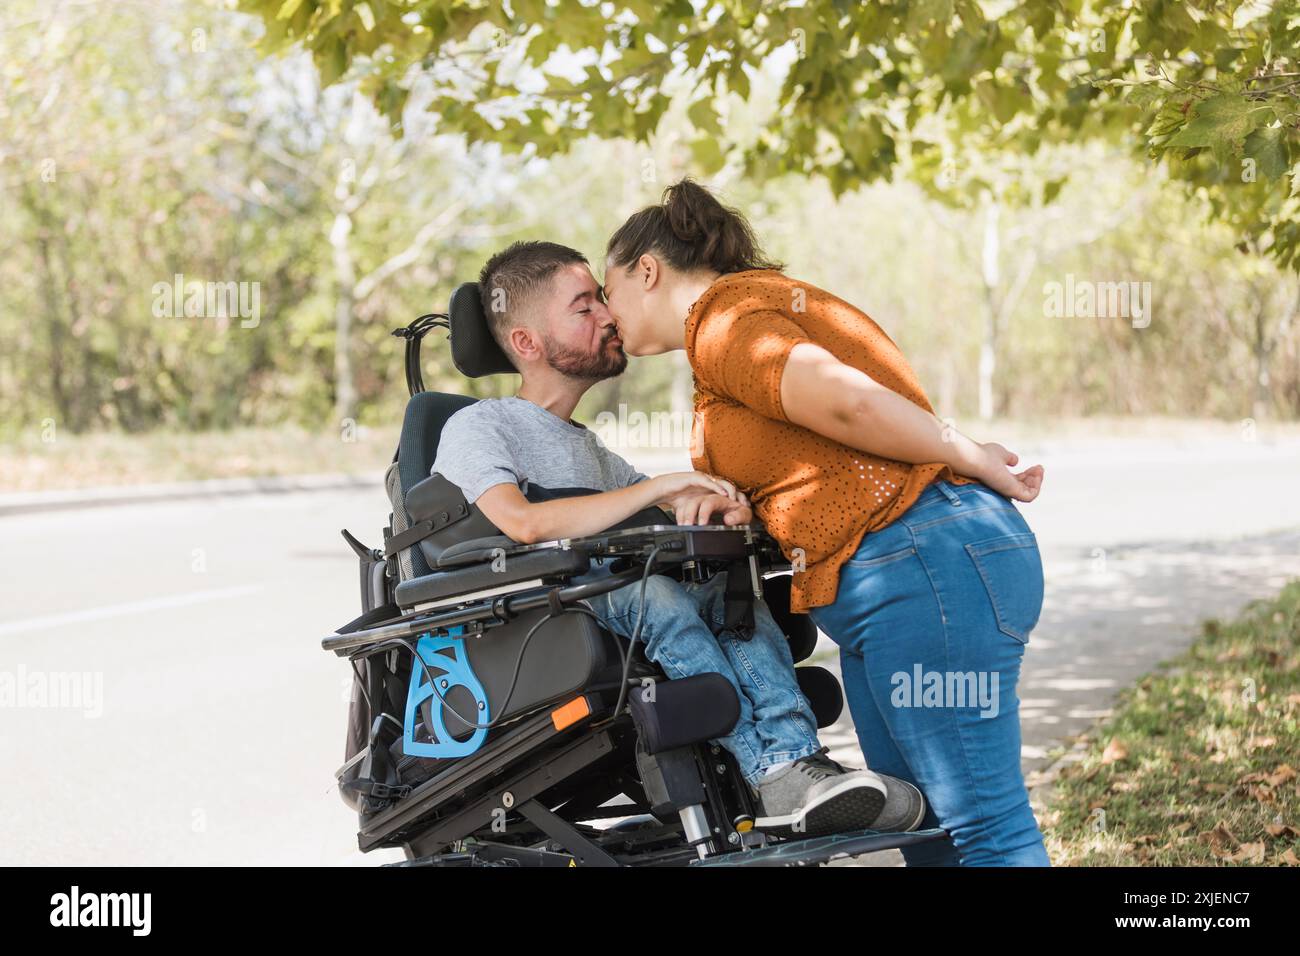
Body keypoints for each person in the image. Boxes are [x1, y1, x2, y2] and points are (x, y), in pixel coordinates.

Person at [600, 179, 1050, 866]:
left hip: (925, 562)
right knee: (926, 828)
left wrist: (968, 453)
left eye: (608, 291)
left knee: (981, 826)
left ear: (648, 270)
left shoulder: (726, 321)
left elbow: (847, 405)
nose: (606, 313)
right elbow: (816, 449)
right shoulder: (746, 315)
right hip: (899, 577)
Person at [430, 239, 926, 837]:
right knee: (655, 598)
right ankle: (774, 775)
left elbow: (664, 505)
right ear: (527, 343)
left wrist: (709, 503)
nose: (609, 316)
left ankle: (802, 764)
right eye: (584, 307)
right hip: (530, 622)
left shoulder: (590, 450)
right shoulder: (477, 425)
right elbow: (525, 523)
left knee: (727, 587)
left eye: (601, 301)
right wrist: (659, 487)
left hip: (597, 601)